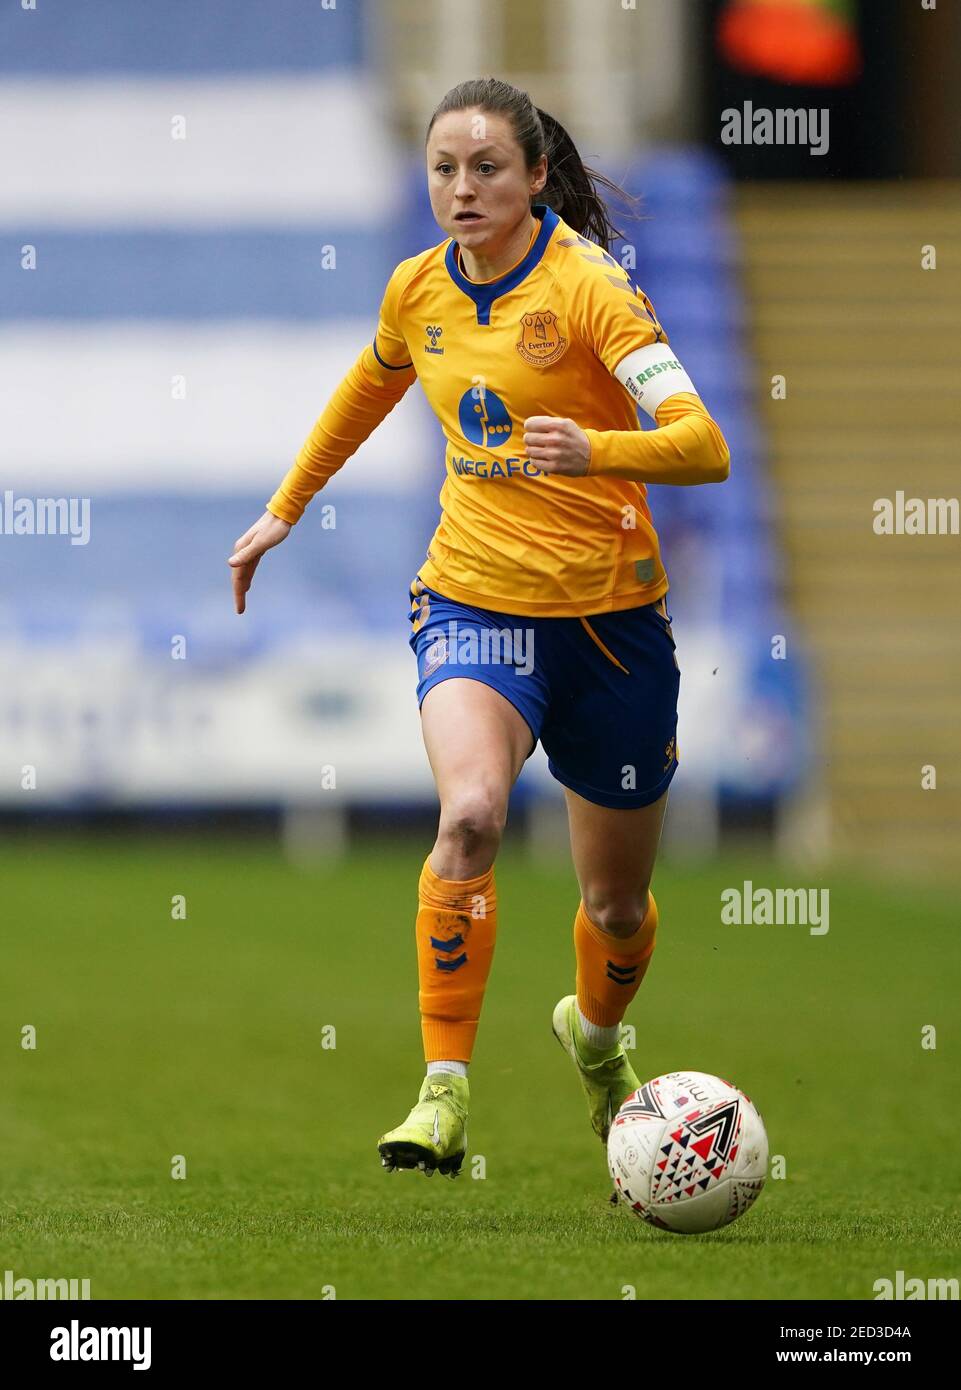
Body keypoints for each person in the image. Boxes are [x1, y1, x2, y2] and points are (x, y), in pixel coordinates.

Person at [228, 77, 730, 1179]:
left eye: (486, 168)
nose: (462, 189)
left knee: (618, 904)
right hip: (472, 601)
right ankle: (442, 1095)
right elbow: (368, 386)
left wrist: (596, 450)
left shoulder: (592, 290)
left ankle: (596, 1044)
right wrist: (283, 509)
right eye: (444, 170)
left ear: (536, 175)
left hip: (610, 627)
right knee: (468, 816)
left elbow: (702, 445)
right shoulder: (419, 289)